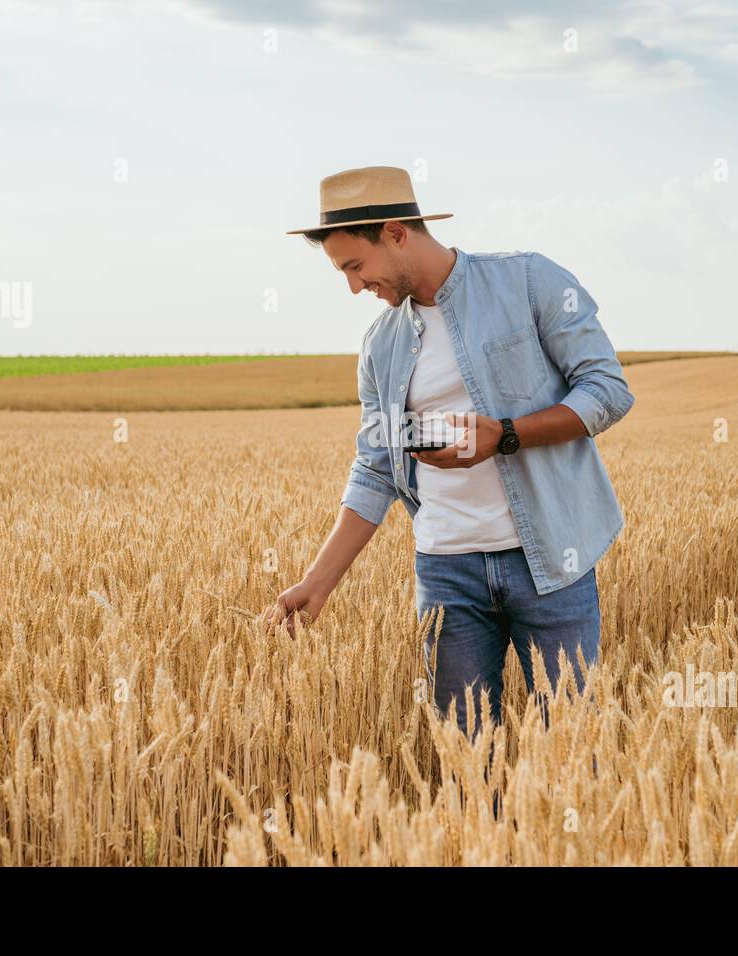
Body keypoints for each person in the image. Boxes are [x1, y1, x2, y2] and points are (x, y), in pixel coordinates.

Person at [266, 165, 634, 744]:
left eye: (354, 268)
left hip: (552, 561)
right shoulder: (380, 346)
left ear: (394, 233)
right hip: (446, 573)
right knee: (464, 761)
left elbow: (607, 391)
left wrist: (505, 434)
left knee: (570, 755)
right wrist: (317, 584)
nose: (355, 288)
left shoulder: (529, 282)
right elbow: (376, 467)